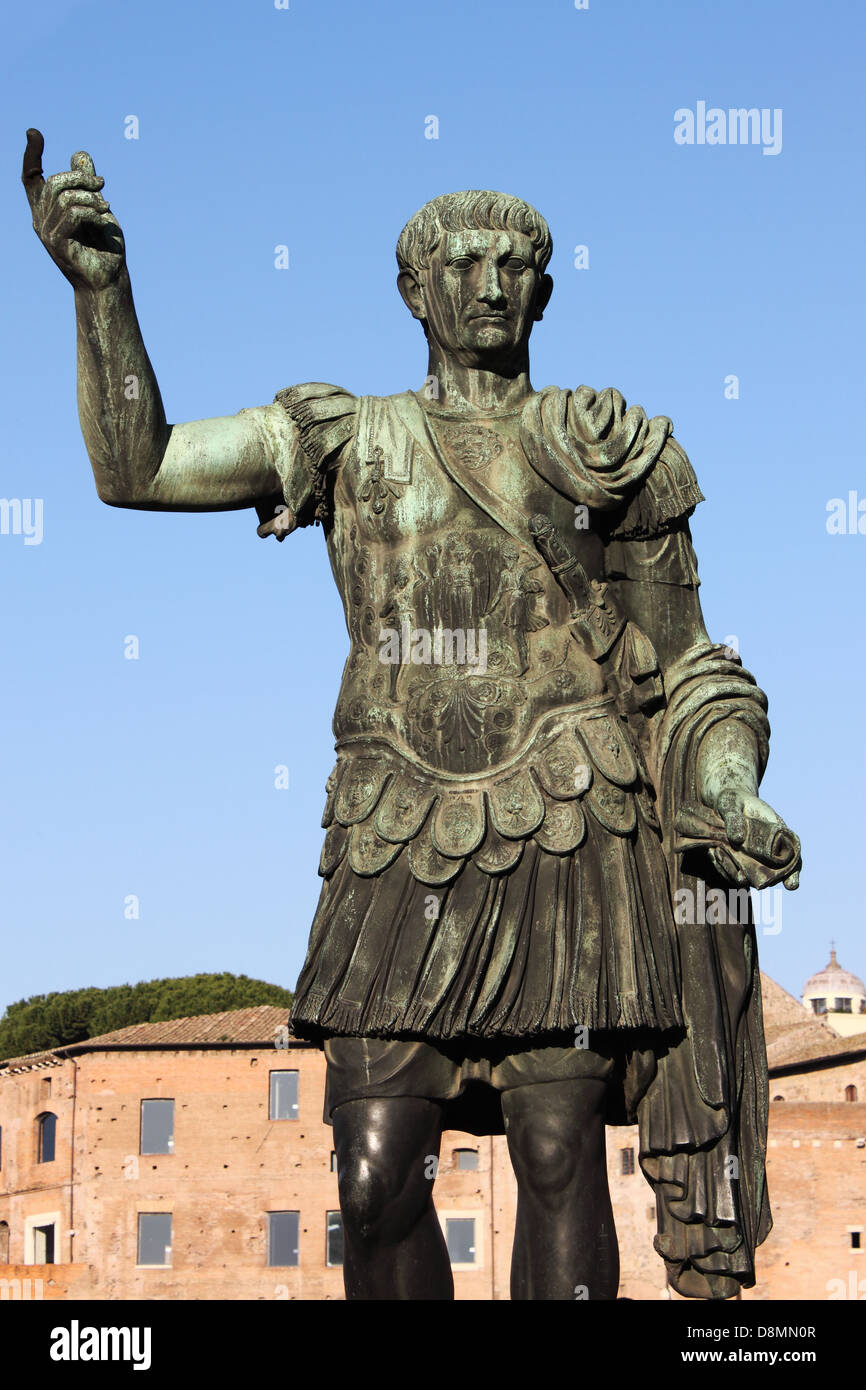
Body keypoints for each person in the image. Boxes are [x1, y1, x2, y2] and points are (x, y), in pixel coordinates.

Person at [23, 130, 801, 1300]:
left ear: (543, 288)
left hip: (570, 824)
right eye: (462, 265)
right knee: (372, 1170)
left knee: (554, 1153)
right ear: (412, 290)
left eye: (512, 267)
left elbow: (693, 667)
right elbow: (140, 466)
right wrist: (103, 297)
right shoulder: (344, 438)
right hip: (396, 837)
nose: (489, 287)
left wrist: (729, 784)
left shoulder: (608, 452)